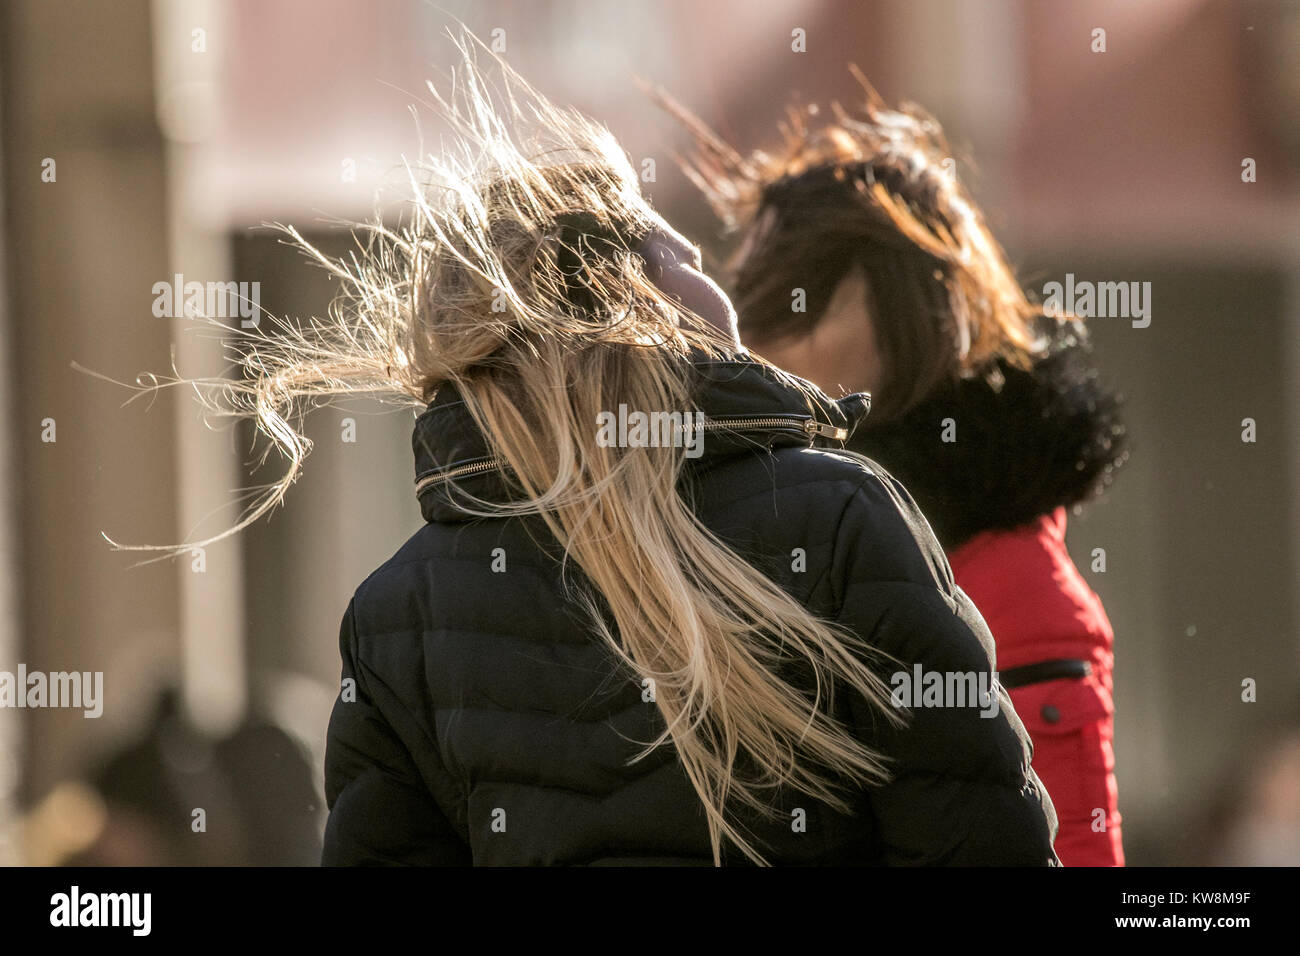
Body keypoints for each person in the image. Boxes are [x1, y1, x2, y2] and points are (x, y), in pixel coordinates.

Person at [134, 38, 1059, 866]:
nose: (721, 276)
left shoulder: (397, 619)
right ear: (641, 303)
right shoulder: (840, 516)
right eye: (686, 254)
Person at [664, 73, 1127, 865]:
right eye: (745, 295)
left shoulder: (1011, 586)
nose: (748, 341)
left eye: (790, 302)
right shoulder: (756, 519)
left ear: (901, 312)